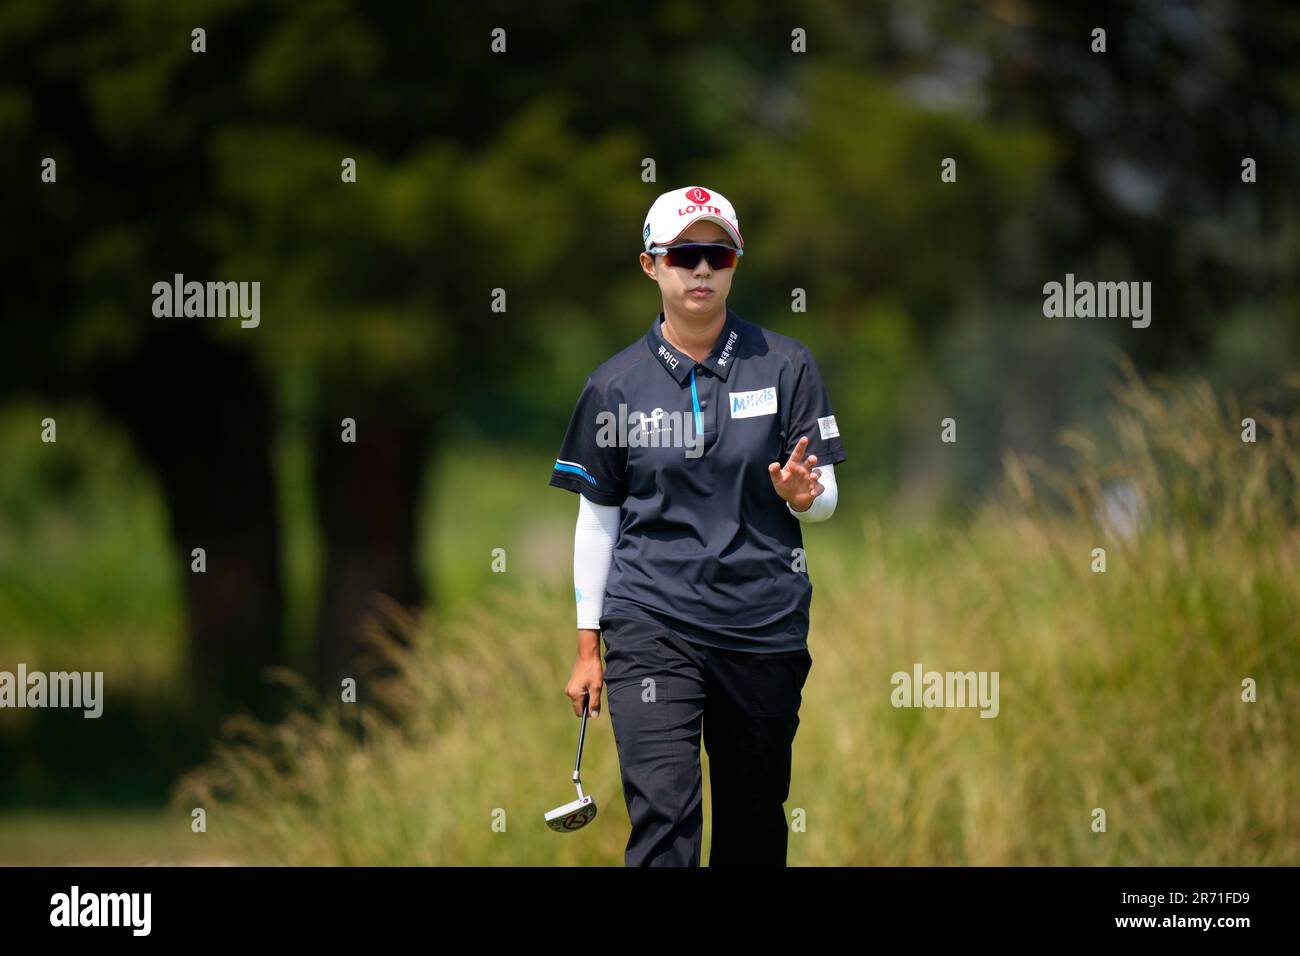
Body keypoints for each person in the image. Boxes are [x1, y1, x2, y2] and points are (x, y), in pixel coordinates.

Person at [548, 185, 846, 866]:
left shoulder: (787, 364)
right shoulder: (613, 385)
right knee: (665, 818)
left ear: (736, 260)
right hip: (652, 621)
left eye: (718, 253)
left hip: (762, 627)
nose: (702, 268)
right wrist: (587, 645)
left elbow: (825, 494)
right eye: (685, 253)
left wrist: (805, 496)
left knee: (752, 824)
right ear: (652, 265)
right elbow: (598, 522)